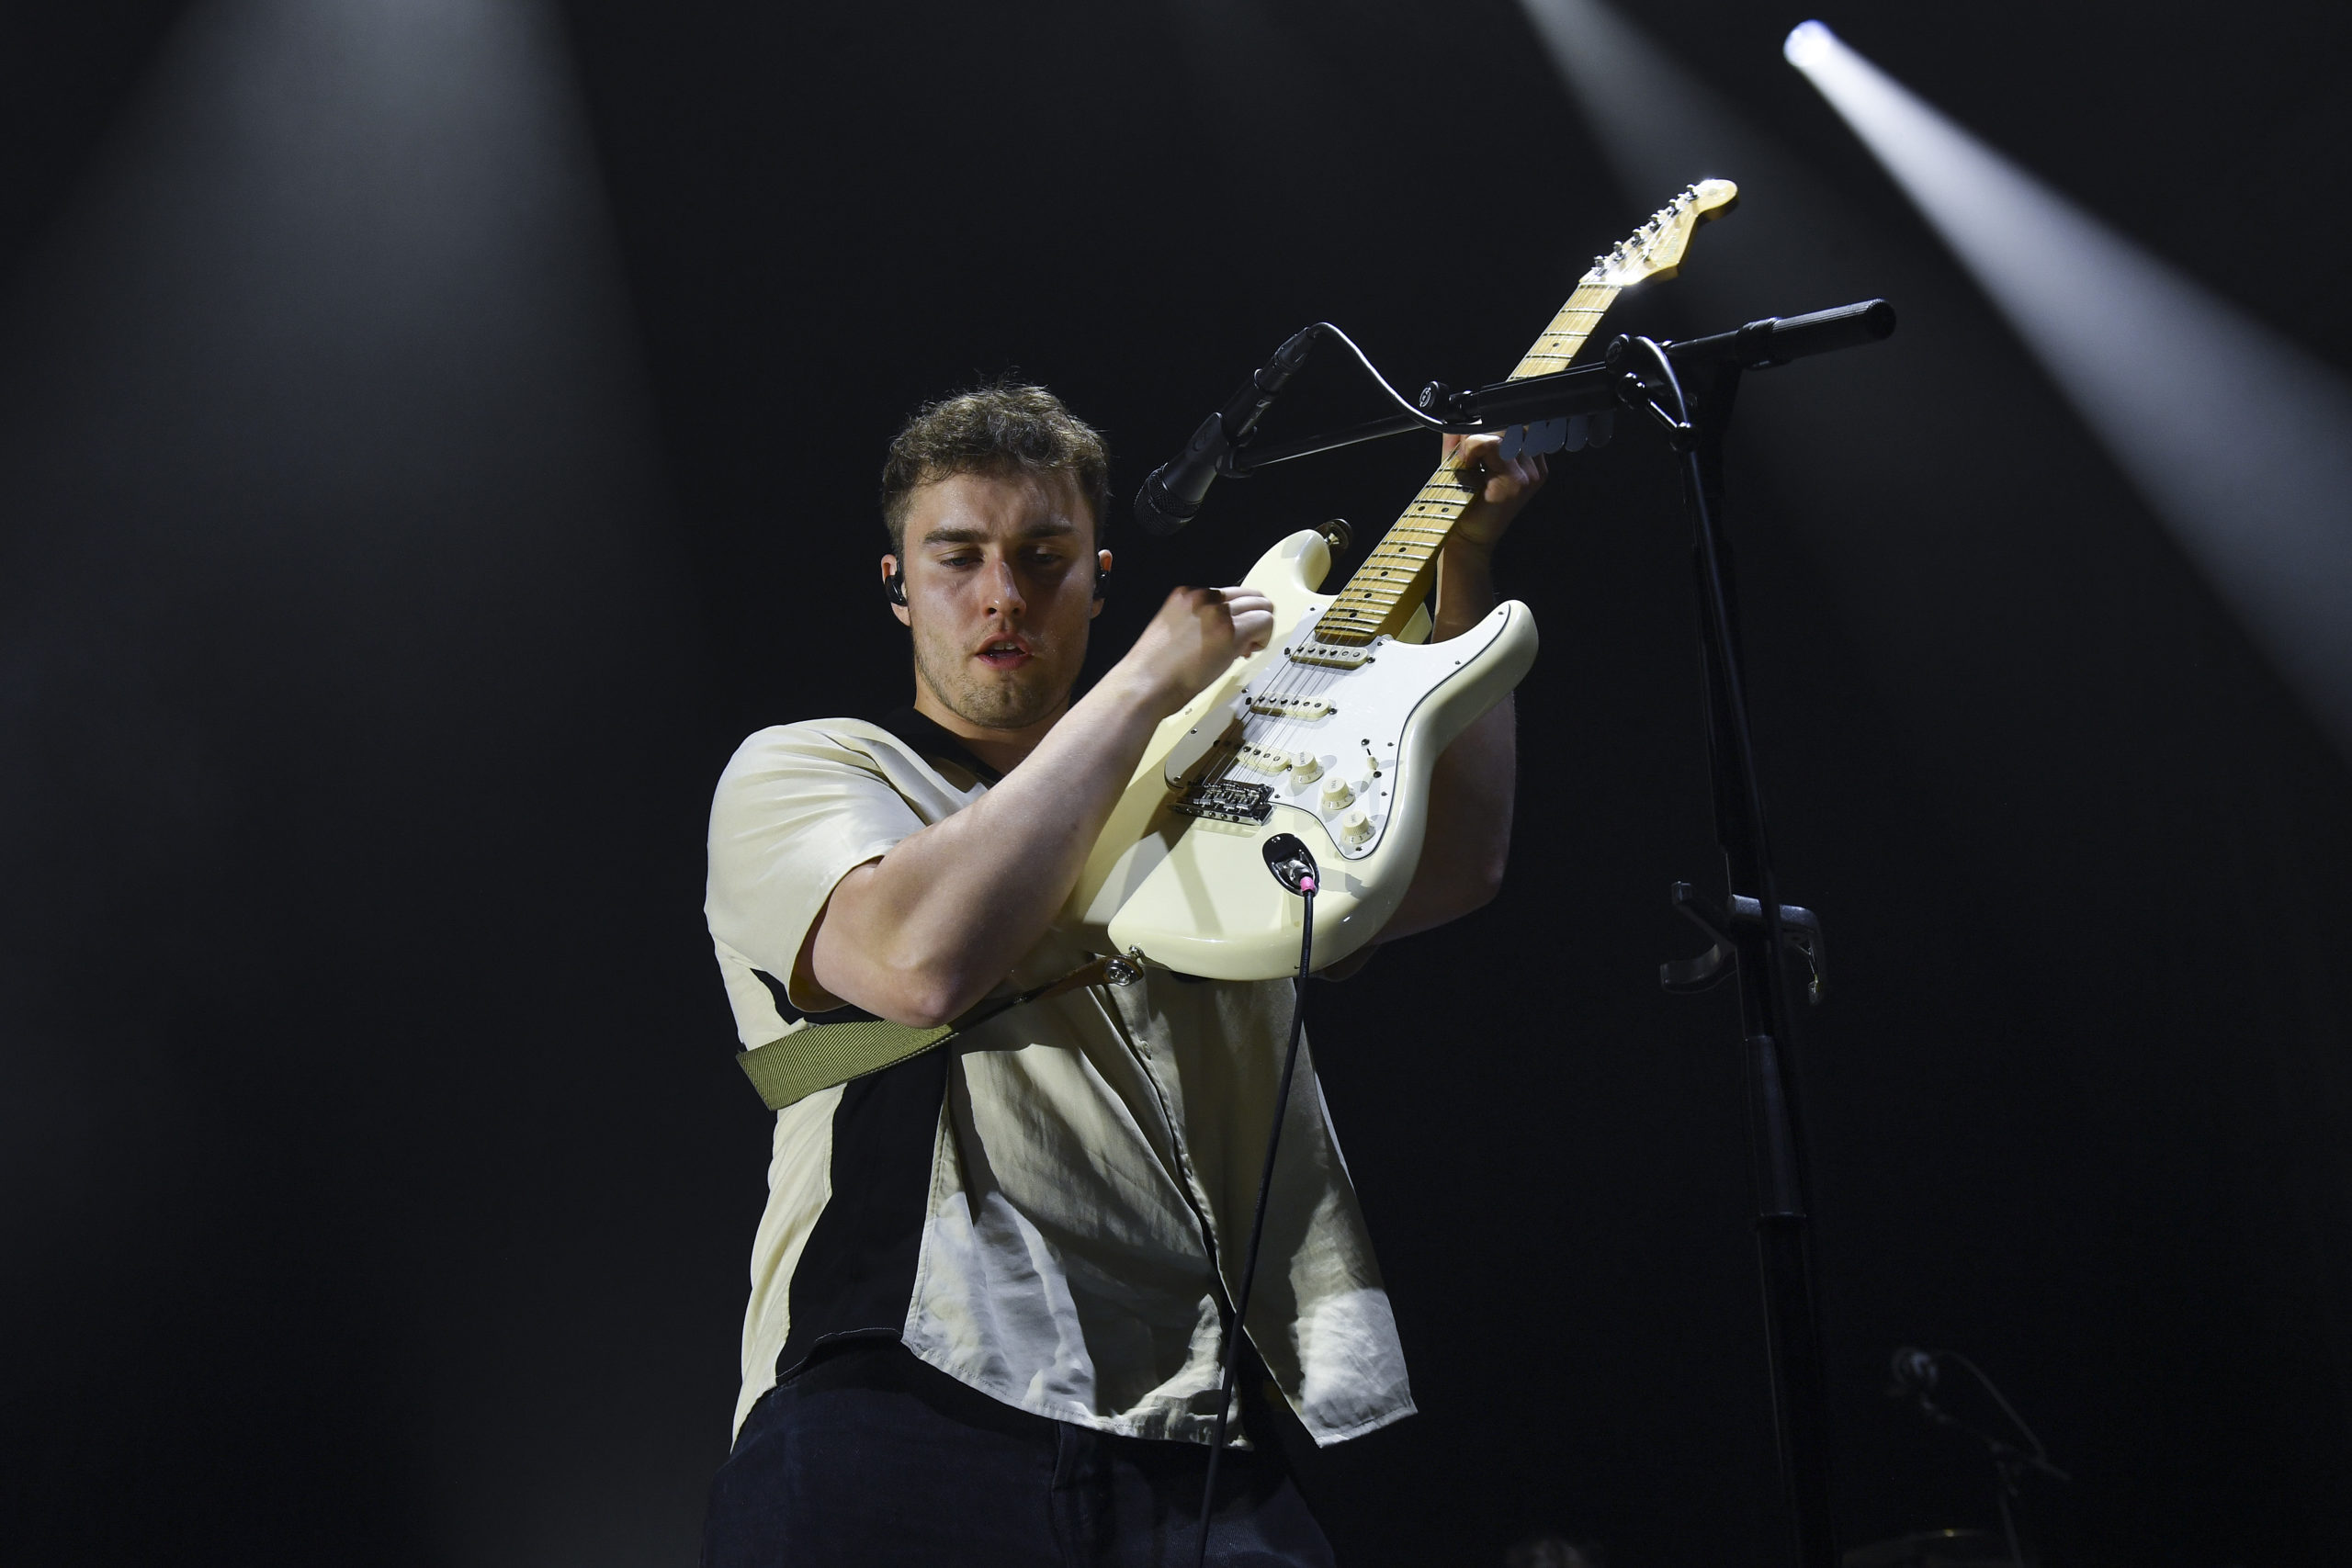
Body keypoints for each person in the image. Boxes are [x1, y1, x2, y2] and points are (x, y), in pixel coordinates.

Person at [700, 382, 1547, 1566]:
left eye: (1045, 559)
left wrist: (1466, 573)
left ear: (1099, 577)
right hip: (901, 1396)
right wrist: (1147, 681)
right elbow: (915, 961)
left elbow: (1453, 867)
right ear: (897, 588)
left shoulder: (1207, 798)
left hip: (1201, 1439)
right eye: (959, 559)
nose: (1004, 595)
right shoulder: (814, 771)